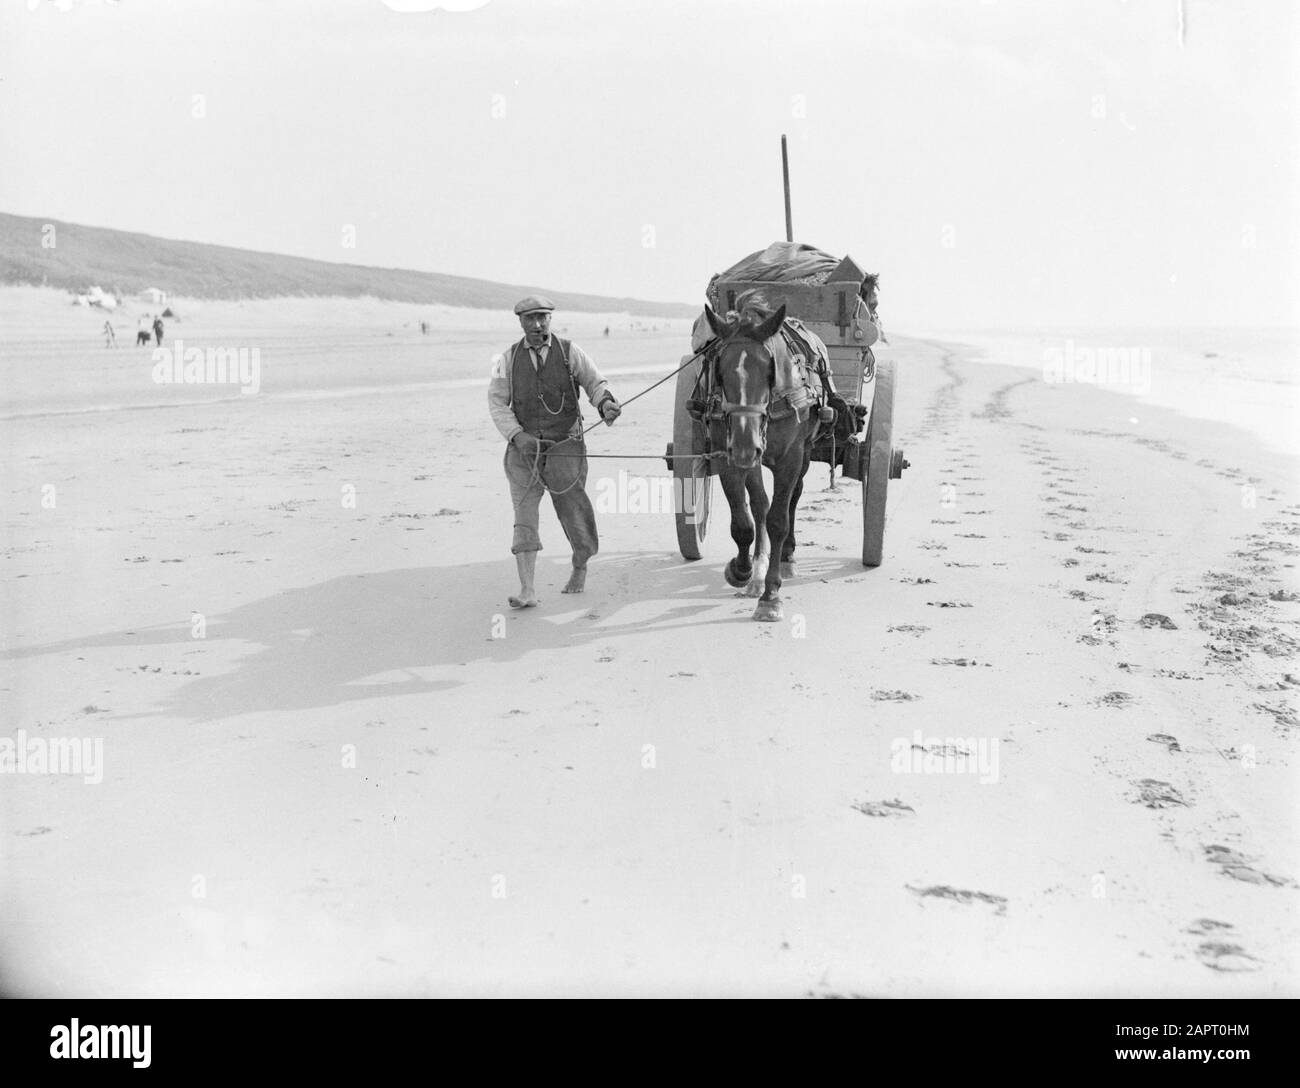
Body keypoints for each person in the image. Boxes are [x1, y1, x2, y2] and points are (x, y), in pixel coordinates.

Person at [488, 296, 621, 609]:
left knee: (572, 510)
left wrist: (606, 404)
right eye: (530, 319)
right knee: (524, 516)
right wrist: (517, 435)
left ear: (550, 319)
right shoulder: (505, 360)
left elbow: (594, 382)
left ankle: (580, 566)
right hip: (524, 453)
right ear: (520, 322)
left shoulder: (570, 352)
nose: (537, 325)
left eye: (542, 318)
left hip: (566, 447)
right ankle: (527, 590)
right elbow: (496, 402)